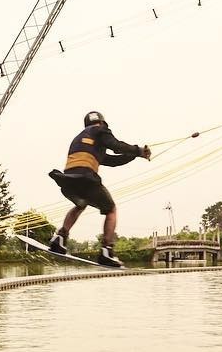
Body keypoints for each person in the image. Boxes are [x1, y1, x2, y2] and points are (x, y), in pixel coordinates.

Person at [47, 110, 150, 267]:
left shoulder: (82, 138)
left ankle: (59, 238)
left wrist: (135, 155)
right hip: (86, 179)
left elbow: (112, 161)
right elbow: (116, 146)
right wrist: (138, 150)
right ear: (102, 123)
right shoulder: (100, 130)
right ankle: (106, 251)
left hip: (68, 180)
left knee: (81, 204)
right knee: (111, 210)